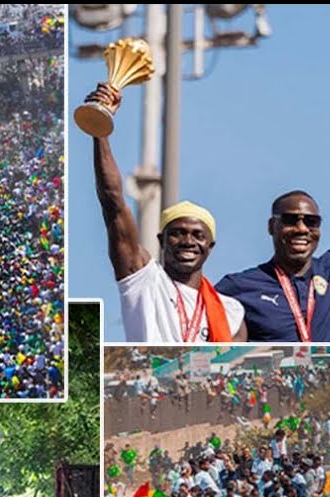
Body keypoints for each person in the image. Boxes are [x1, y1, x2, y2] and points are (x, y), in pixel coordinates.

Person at [85, 82, 245, 343]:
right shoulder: (144, 281)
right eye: (178, 233)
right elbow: (113, 203)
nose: (188, 241)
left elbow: (233, 372)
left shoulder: (231, 313)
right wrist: (99, 128)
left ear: (210, 246)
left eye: (197, 235)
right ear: (161, 240)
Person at [217, 186, 330, 342]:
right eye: (290, 220)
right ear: (271, 226)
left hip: (329, 377)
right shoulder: (239, 286)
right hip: (271, 377)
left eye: (311, 221)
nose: (302, 228)